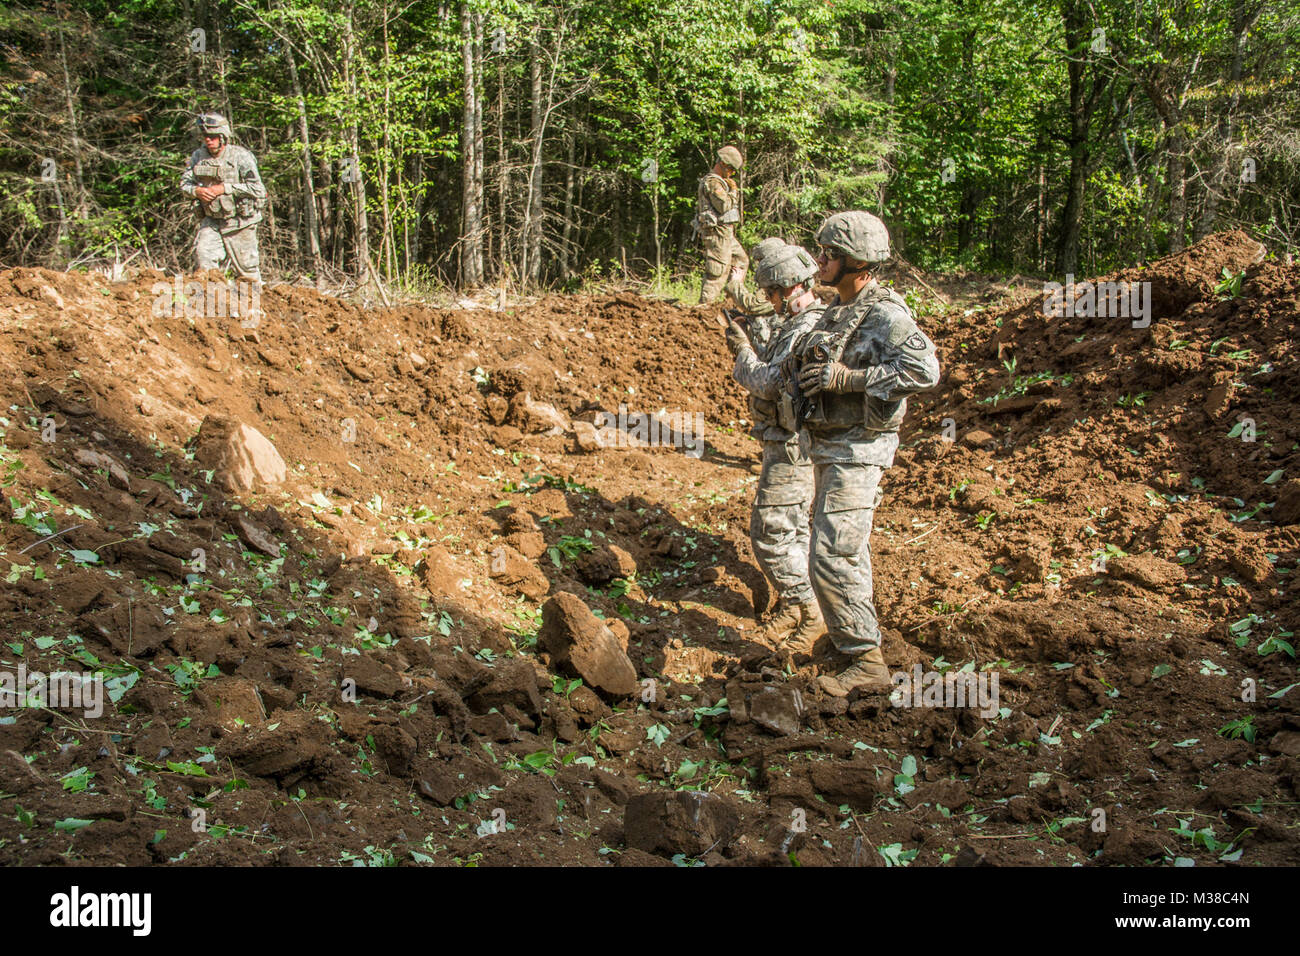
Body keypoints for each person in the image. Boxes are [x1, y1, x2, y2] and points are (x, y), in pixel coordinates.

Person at [784, 212, 940, 696]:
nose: (820, 260)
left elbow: (925, 370)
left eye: (829, 254)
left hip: (858, 449)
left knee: (831, 555)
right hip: (832, 446)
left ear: (857, 263)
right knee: (843, 551)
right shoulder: (840, 308)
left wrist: (847, 380)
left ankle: (866, 663)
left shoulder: (885, 315)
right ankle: (851, 639)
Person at [725, 244, 826, 658]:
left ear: (792, 288)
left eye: (771, 294)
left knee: (769, 533)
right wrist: (752, 333)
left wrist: (741, 349)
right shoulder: (798, 322)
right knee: (794, 529)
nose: (768, 300)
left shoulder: (807, 327)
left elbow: (768, 381)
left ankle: (810, 611)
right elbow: (777, 360)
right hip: (784, 439)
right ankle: (794, 605)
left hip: (792, 444)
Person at [180, 113, 267, 286]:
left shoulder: (240, 156)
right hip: (212, 220)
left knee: (248, 273)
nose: (208, 140)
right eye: (205, 137)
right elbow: (184, 184)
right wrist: (197, 191)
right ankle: (213, 304)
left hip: (240, 222)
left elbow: (258, 189)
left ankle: (256, 307)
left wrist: (225, 189)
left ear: (223, 137)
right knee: (205, 261)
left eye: (212, 137)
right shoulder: (198, 156)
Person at [695, 145, 747, 304]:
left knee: (741, 260)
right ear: (724, 164)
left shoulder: (720, 182)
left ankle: (730, 301)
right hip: (717, 234)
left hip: (726, 234)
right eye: (731, 169)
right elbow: (723, 206)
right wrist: (733, 192)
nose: (732, 174)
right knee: (718, 271)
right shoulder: (713, 182)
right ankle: (705, 308)